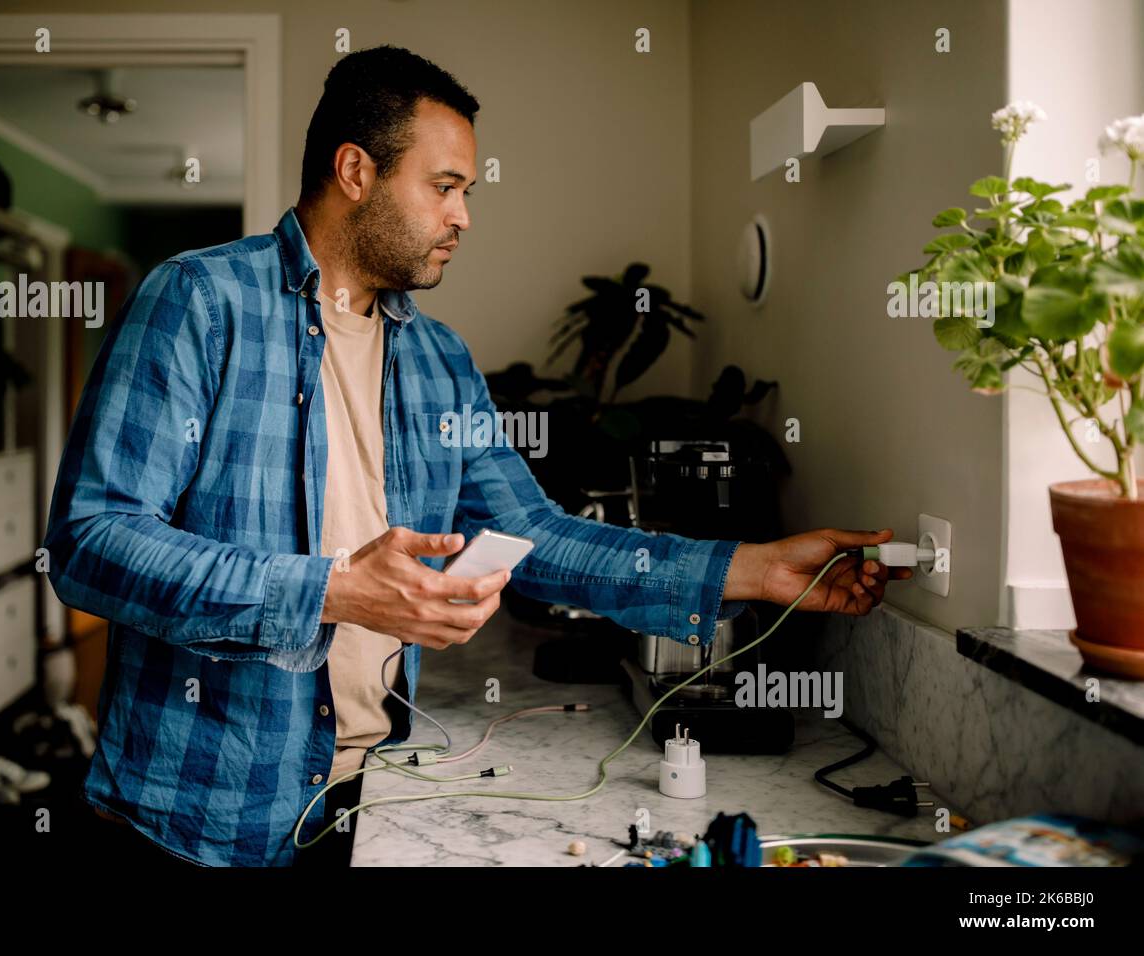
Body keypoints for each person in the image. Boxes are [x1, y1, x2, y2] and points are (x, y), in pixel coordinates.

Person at [44, 45, 909, 868]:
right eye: (445, 186)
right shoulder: (200, 301)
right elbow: (90, 541)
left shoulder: (439, 358)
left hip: (375, 795)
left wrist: (755, 572)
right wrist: (333, 589)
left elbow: (536, 535)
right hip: (201, 815)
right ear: (356, 172)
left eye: (466, 190)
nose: (464, 215)